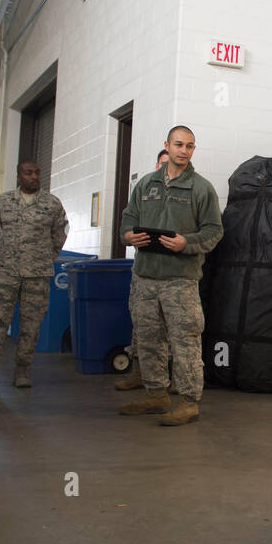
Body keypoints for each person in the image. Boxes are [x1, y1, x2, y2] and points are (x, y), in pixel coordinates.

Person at [118, 126, 222, 425]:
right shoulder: (146, 184)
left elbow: (215, 232)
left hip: (180, 280)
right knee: (149, 339)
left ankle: (189, 402)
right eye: (178, 144)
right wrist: (128, 236)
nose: (183, 151)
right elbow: (128, 219)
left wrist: (185, 243)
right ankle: (156, 395)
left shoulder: (201, 188)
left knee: (185, 341)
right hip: (145, 277)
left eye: (190, 146)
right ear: (167, 145)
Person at [0, 159, 68, 389]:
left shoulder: (52, 204)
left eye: (37, 173)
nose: (34, 176)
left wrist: (46, 258)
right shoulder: (3, 202)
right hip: (6, 272)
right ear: (19, 176)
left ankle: (22, 370)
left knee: (31, 325)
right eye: (28, 173)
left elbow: (60, 234)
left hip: (37, 274)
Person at [115, 148, 169, 392]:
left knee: (172, 326)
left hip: (174, 275)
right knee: (140, 321)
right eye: (162, 164)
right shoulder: (146, 190)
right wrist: (129, 236)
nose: (166, 169)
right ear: (157, 166)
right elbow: (127, 222)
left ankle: (174, 378)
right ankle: (139, 372)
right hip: (143, 271)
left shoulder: (189, 193)